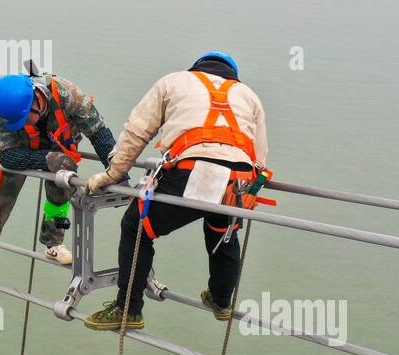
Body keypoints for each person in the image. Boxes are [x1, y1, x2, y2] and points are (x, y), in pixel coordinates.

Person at [82, 51, 268, 330]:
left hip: (195, 169)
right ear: (232, 73)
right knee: (224, 231)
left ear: (196, 68)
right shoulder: (248, 95)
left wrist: (114, 173)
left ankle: (128, 309)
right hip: (238, 179)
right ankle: (221, 300)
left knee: (137, 227)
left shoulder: (174, 82)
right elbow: (260, 156)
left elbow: (137, 131)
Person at [0, 71, 117, 281]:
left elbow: (99, 133)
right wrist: (45, 159)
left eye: (24, 119)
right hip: (21, 149)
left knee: (60, 196)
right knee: (0, 200)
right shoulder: (7, 110)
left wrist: (117, 173)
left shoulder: (69, 96)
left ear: (37, 102)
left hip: (59, 145)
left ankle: (54, 244)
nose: (22, 124)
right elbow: (7, 154)